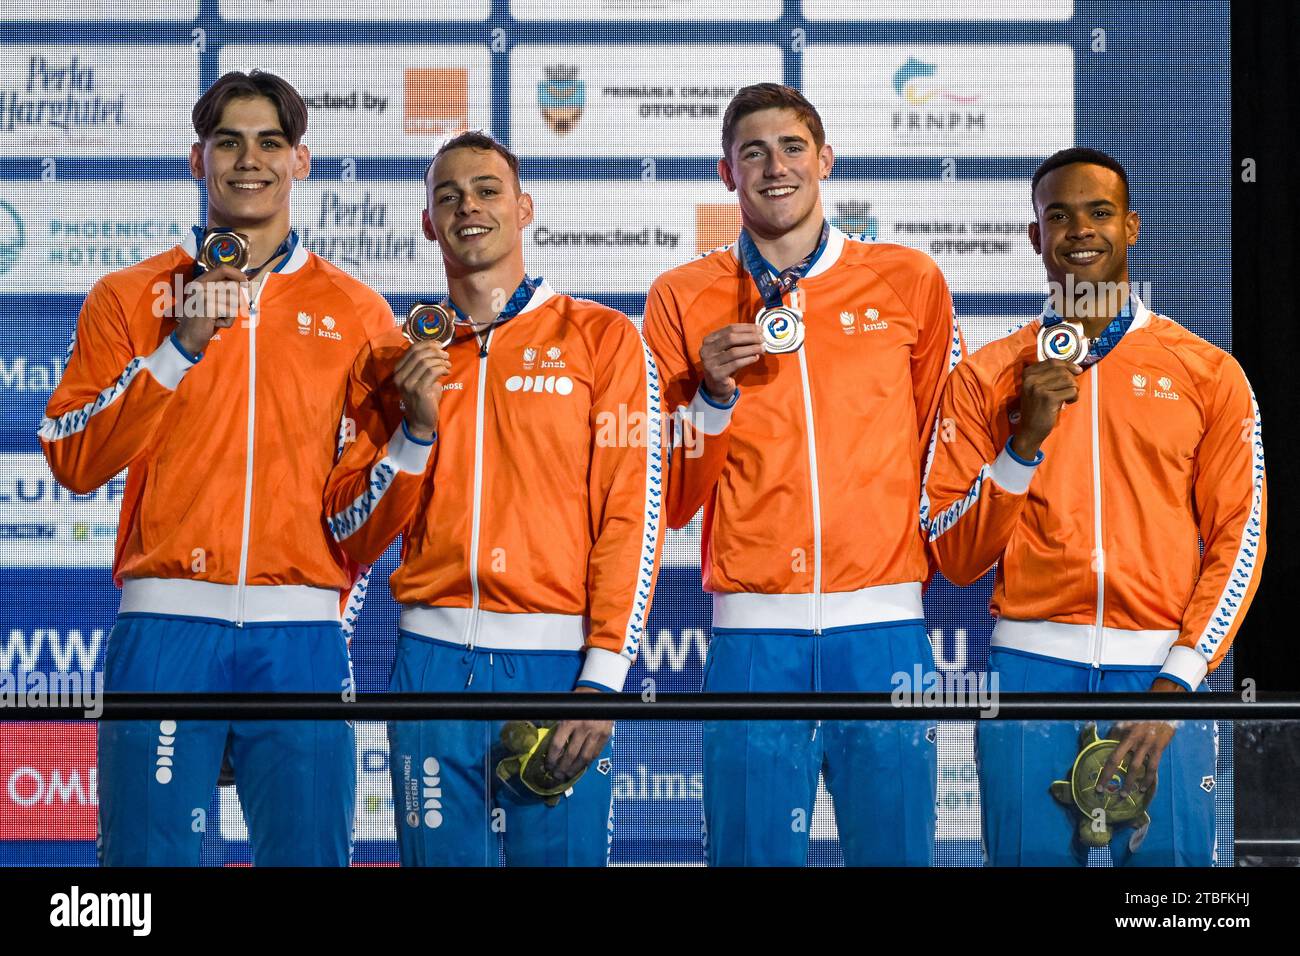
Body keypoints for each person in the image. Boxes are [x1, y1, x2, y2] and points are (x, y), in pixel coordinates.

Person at [39, 70, 396, 866]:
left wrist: (328, 622)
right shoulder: (128, 296)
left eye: (271, 142)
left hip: (300, 639)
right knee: (139, 883)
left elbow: (364, 510)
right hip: (165, 628)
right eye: (227, 141)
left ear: (300, 162)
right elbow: (70, 456)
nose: (249, 160)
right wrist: (178, 348)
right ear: (194, 160)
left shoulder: (358, 311)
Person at [641, 83, 962, 866]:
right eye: (752, 151)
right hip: (755, 642)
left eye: (791, 147)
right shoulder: (680, 297)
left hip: (884, 634)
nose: (774, 166)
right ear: (727, 173)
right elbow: (670, 501)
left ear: (825, 159)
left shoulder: (908, 280)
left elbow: (940, 450)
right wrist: (712, 399)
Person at [323, 131, 663, 866]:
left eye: (485, 190)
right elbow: (350, 533)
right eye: (446, 195)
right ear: (427, 223)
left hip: (555, 670)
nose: (466, 205)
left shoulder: (602, 338)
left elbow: (630, 519)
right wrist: (413, 433)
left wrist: (602, 681)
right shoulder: (392, 358)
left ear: (524, 207)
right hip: (430, 669)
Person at [923, 147, 1266, 866]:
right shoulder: (989, 376)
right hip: (1029, 676)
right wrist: (1022, 445)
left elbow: (1240, 537)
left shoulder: (1207, 372)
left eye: (1100, 212)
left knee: (1173, 909)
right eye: (1059, 215)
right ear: (1034, 236)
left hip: (1160, 682)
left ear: (1132, 226)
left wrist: (1180, 679)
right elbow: (953, 557)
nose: (1081, 230)